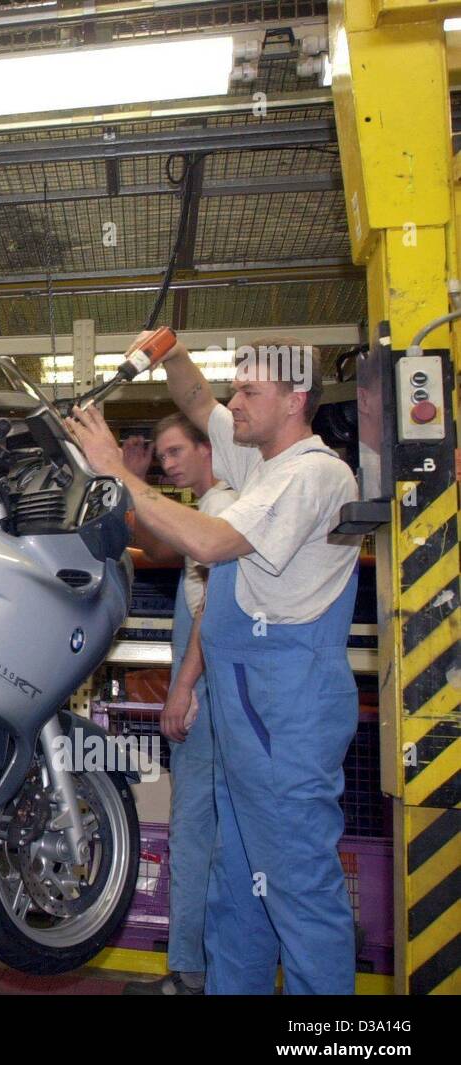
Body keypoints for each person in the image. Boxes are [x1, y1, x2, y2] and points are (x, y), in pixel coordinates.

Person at [64, 336, 361, 994]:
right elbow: (196, 399)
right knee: (239, 885)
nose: (235, 401)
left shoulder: (313, 475)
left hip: (285, 713)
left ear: (297, 400)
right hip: (245, 709)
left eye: (251, 391)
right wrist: (168, 351)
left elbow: (209, 540)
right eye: (238, 387)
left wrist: (116, 471)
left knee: (297, 889)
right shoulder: (261, 464)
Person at [120, 415, 235, 995]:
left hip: (208, 681)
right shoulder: (207, 508)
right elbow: (160, 544)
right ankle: (198, 967)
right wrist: (132, 483)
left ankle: (201, 971)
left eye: (173, 451)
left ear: (209, 446)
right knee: (201, 827)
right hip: (205, 676)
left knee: (205, 830)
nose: (167, 462)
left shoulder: (226, 509)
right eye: (159, 454)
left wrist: (182, 688)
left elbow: (214, 614)